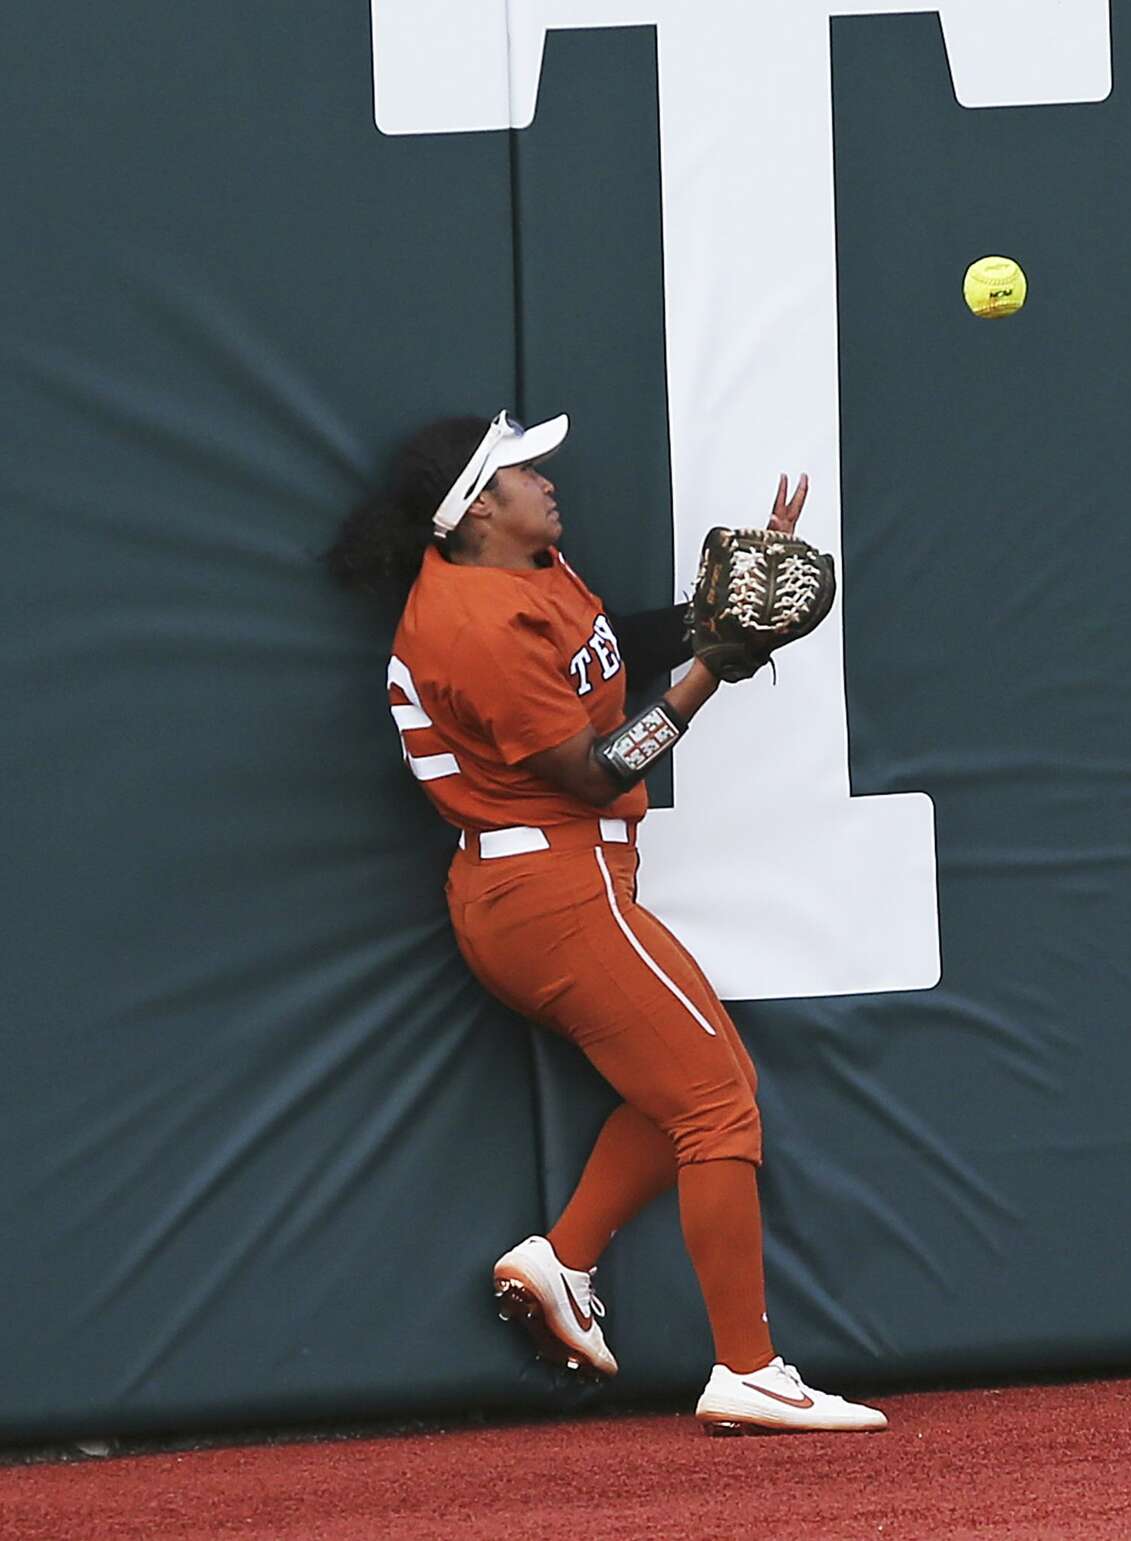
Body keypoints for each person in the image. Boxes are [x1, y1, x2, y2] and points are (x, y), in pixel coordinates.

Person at [326, 410, 886, 1436]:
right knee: (719, 1105)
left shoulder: (521, 570)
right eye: (521, 471)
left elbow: (598, 648)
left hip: (553, 883)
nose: (546, 478)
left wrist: (706, 621)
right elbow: (595, 770)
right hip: (551, 888)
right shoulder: (472, 622)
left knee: (696, 1089)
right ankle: (747, 1369)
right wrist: (718, 661)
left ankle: (563, 1256)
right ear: (475, 510)